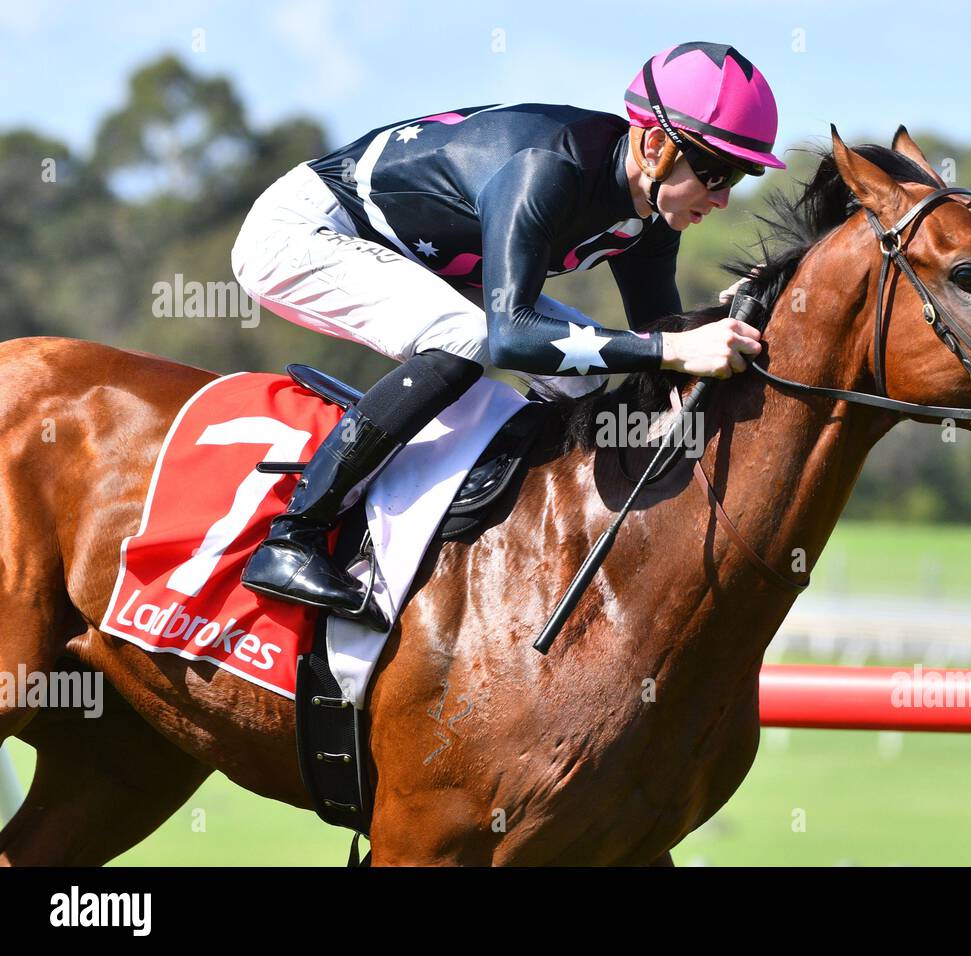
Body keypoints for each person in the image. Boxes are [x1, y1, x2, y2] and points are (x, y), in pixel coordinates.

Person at [230, 41, 785, 630]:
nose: (724, 198)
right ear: (654, 145)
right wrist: (673, 348)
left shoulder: (650, 210)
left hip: (430, 262)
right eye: (716, 172)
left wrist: (740, 315)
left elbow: (658, 336)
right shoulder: (549, 171)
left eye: (741, 175)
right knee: (468, 335)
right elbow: (511, 337)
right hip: (305, 231)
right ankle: (293, 537)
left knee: (587, 373)